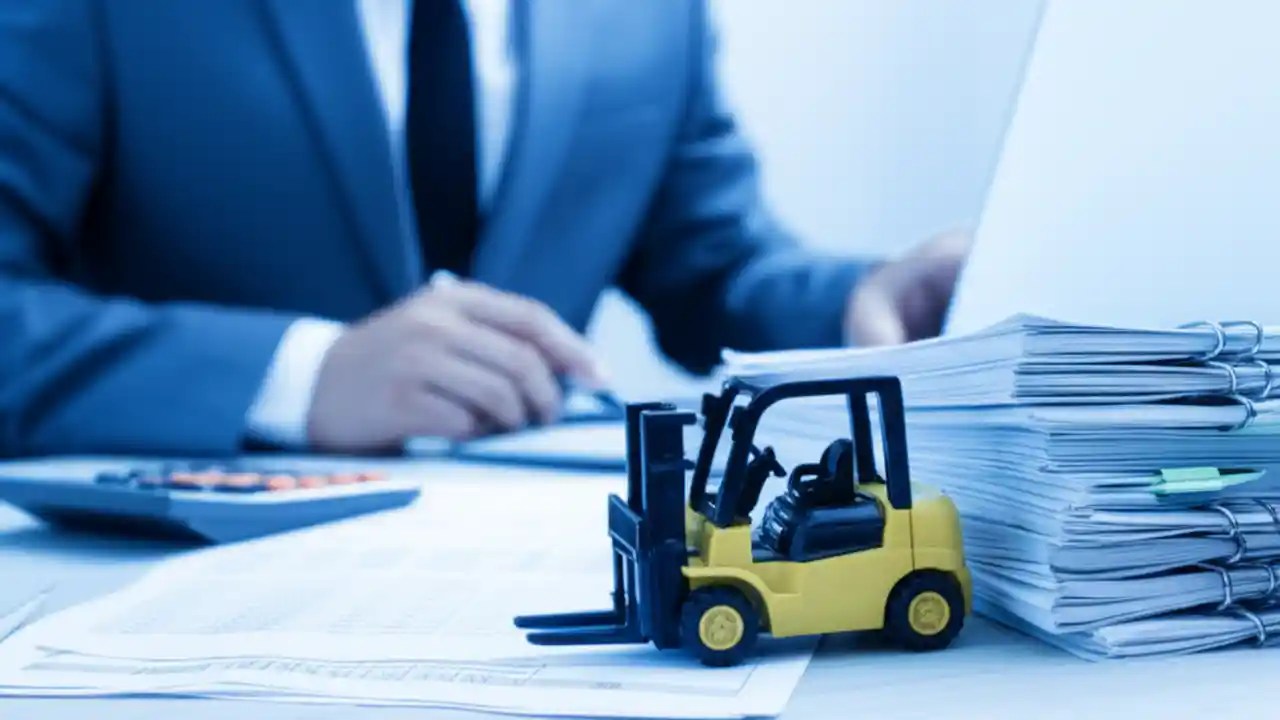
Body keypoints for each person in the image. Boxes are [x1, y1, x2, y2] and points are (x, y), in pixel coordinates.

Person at [0, 1, 969, 457]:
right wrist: (301, 376)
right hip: (159, 600)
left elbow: (712, 263)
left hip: (529, 599)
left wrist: (859, 303)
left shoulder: (647, 18)